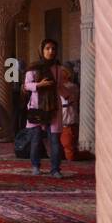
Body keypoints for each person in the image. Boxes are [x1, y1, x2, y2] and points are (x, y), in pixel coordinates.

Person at [24, 38, 72, 177]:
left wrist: (68, 97)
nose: (51, 51)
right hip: (37, 107)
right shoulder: (33, 68)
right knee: (36, 139)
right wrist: (39, 85)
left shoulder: (57, 68)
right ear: (41, 50)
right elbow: (27, 85)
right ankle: (35, 166)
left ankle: (55, 169)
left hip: (53, 108)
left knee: (55, 140)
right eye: (47, 48)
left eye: (53, 49)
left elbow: (59, 86)